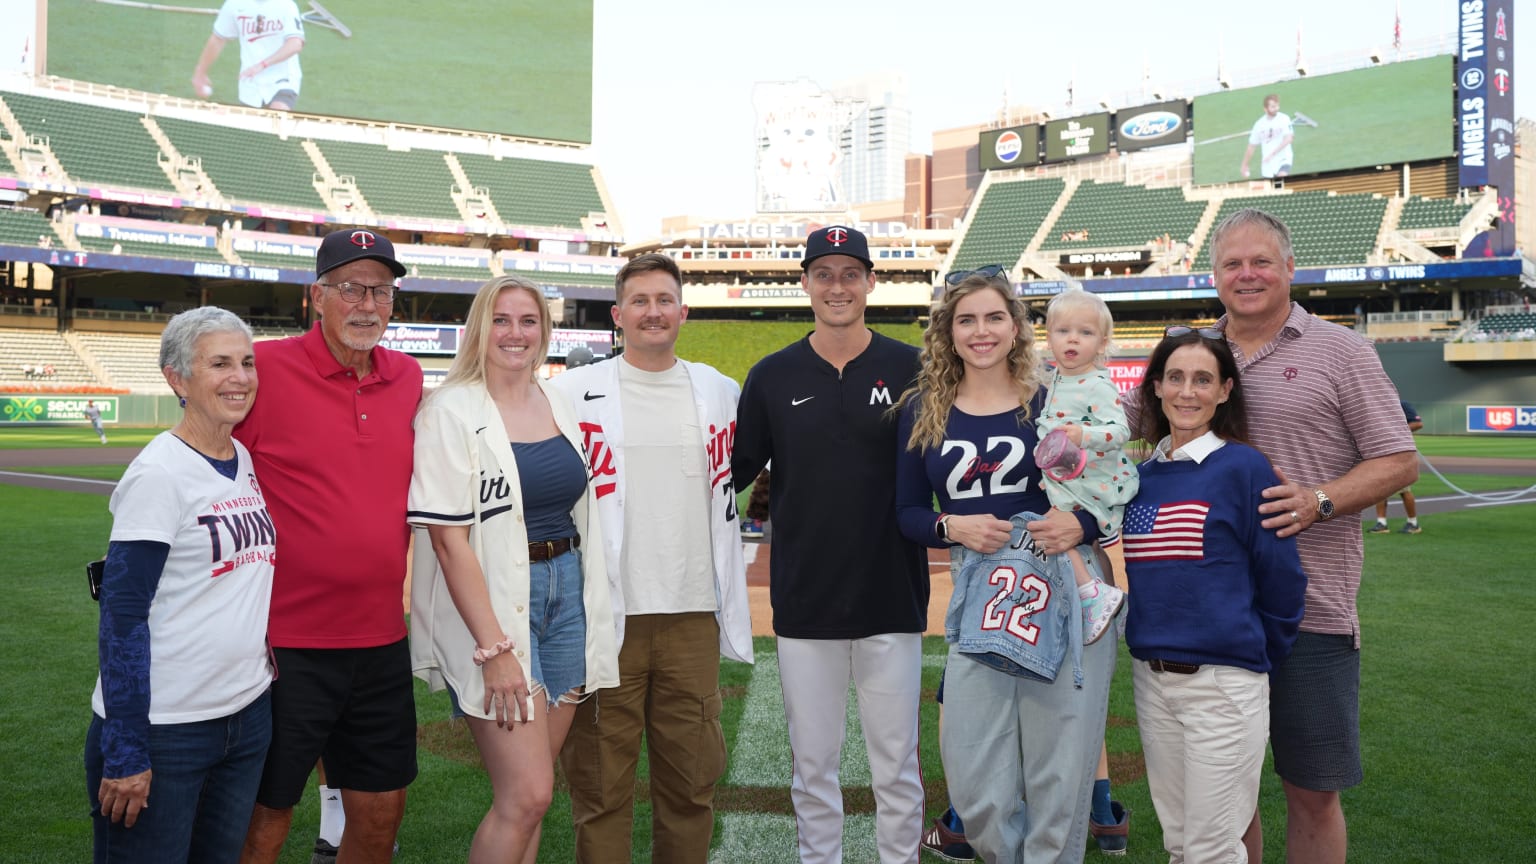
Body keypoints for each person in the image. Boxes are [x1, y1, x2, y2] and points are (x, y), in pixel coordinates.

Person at [1126, 209, 1417, 864]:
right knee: (1227, 800)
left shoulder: (1341, 351)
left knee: (1311, 791)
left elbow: (1399, 461)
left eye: (1262, 261)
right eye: (1233, 263)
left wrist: (1319, 500)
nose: (1247, 274)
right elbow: (1119, 431)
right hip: (1210, 618)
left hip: (1311, 611)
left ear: (1290, 269)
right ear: (1214, 274)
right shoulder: (1193, 355)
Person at [893, 267, 1115, 863]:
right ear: (948, 330)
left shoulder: (1053, 398)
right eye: (966, 319)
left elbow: (1116, 484)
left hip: (1060, 582)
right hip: (978, 592)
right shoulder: (923, 408)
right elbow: (907, 512)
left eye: (995, 317)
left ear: (1017, 327)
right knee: (975, 778)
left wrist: (1085, 525)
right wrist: (951, 526)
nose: (981, 331)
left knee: (1059, 772)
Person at [732, 225, 927, 864]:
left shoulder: (913, 367)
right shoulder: (770, 375)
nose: (837, 285)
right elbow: (729, 473)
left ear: (871, 281)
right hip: (805, 600)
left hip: (891, 595)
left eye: (850, 273)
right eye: (824, 273)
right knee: (813, 769)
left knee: (896, 767)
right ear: (806, 283)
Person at [407, 275, 619, 863]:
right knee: (524, 796)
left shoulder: (560, 401)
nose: (516, 333)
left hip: (567, 596)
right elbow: (449, 542)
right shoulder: (449, 409)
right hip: (498, 606)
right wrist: (494, 648)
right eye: (502, 320)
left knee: (531, 797)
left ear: (545, 332)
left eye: (529, 321)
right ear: (480, 328)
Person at [551, 253, 754, 863]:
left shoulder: (720, 391)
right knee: (601, 791)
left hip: (693, 613)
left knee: (691, 788)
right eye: (638, 301)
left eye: (664, 300)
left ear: (683, 312)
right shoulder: (569, 394)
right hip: (604, 615)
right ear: (617, 315)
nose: (652, 312)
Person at [235, 229, 423, 864]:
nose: (367, 304)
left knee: (379, 814)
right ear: (317, 296)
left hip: (380, 641)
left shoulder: (407, 376)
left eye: (381, 290)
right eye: (350, 288)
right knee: (265, 816)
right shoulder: (263, 370)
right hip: (285, 643)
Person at [85, 306, 273, 863]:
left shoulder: (241, 457)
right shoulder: (158, 474)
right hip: (166, 730)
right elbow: (121, 617)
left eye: (246, 362)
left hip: (245, 716)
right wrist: (125, 748)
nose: (240, 377)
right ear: (177, 378)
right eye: (219, 363)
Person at [1125, 326, 1306, 864]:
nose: (1187, 391)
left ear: (1225, 390)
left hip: (1223, 684)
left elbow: (1283, 578)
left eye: (1203, 379)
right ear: (1155, 386)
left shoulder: (1244, 467)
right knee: (1180, 843)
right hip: (1151, 680)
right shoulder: (1139, 477)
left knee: (1211, 848)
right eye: (1175, 377)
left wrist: (1248, 657)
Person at [1036, 288, 1137, 643]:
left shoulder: (1097, 383)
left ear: (1102, 342)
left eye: (1085, 332)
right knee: (1087, 545)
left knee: (1052, 528)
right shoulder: (1058, 377)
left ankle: (1092, 594)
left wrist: (1082, 434)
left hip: (1091, 478)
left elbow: (1120, 431)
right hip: (1068, 475)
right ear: (1048, 338)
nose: (1072, 339)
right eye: (1063, 331)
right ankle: (1111, 599)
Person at [191, 0, 305, 111]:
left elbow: (295, 44)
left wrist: (262, 65)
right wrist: (200, 72)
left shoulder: (287, 5)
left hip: (282, 79)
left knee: (278, 116)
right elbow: (218, 39)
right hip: (250, 83)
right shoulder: (234, 4)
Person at [1369, 400, 1424, 534]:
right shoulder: (1378, 406)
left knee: (1403, 488)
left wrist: (1396, 432)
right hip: (1382, 451)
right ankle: (1382, 523)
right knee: (1380, 486)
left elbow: (1418, 423)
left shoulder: (1401, 404)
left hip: (1398, 452)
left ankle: (1413, 523)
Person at [1240, 94, 1294, 180]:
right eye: (1273, 107)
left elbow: (1289, 138)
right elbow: (1251, 146)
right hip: (1267, 164)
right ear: (1265, 109)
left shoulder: (1284, 118)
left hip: (1283, 159)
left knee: (1281, 181)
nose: (1276, 109)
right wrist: (1244, 164)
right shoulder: (1259, 125)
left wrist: (1272, 154)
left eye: (1277, 106)